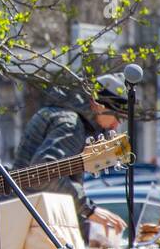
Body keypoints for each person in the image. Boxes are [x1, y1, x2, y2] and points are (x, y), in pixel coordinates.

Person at [11, 75, 130, 239]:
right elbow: (44, 176)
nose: (117, 125)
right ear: (98, 105)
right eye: (118, 116)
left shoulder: (62, 114)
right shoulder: (71, 125)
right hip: (30, 225)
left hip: (24, 219)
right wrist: (88, 209)